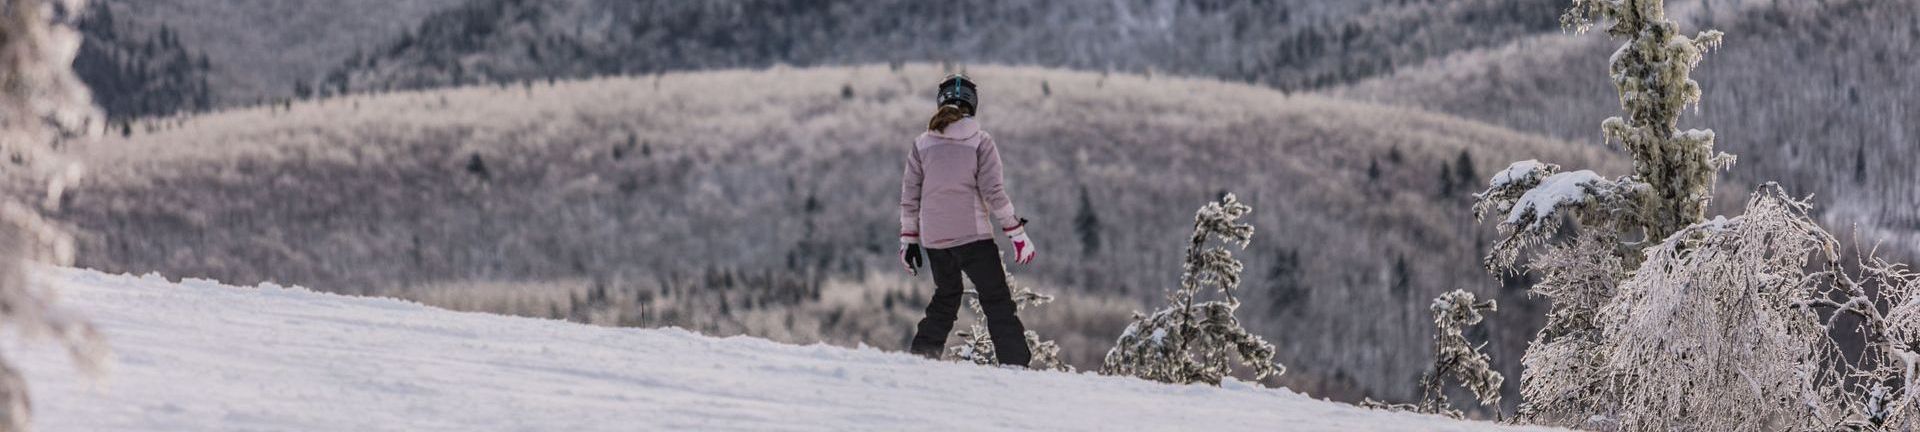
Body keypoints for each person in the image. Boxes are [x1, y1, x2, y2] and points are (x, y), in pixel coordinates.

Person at [898, 73, 1037, 367]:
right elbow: (993, 192)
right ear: (973, 105)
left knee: (946, 296)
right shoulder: (980, 141)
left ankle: (922, 358)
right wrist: (1016, 232)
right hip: (973, 237)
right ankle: (1015, 364)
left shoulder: (921, 144)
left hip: (935, 239)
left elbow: (910, 196)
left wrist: (909, 240)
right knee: (996, 299)